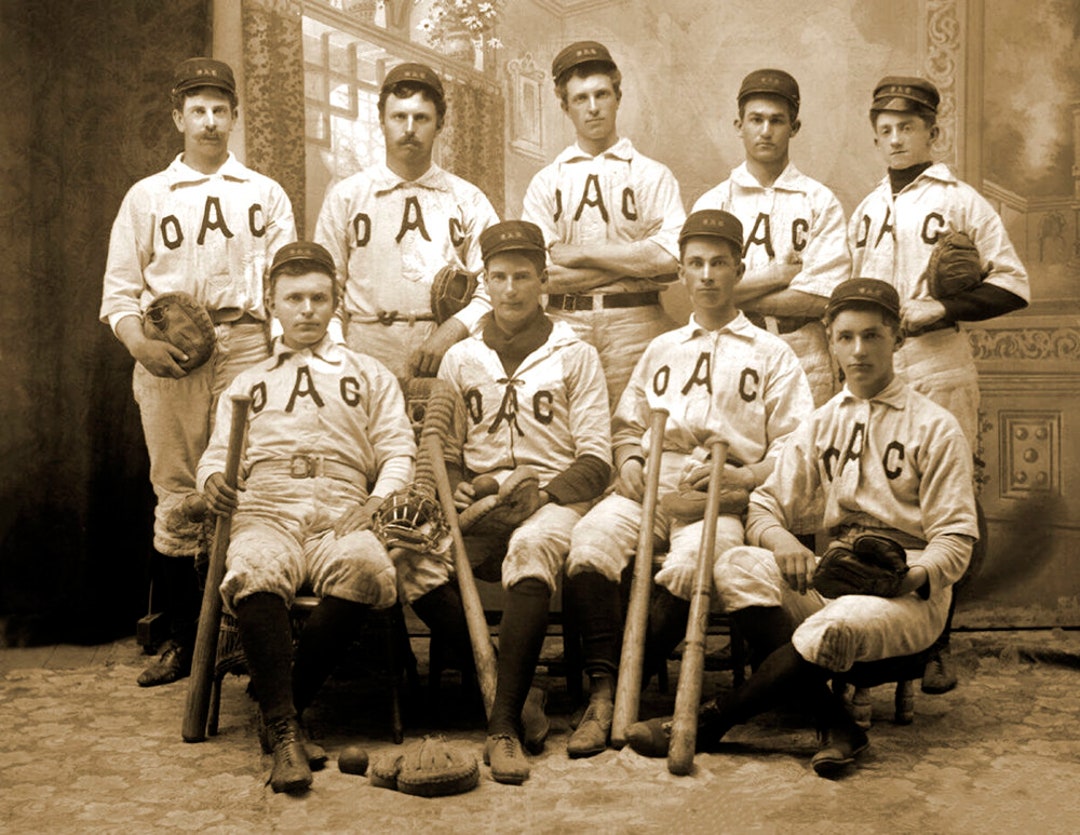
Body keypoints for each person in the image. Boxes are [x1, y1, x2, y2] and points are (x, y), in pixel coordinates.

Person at [625, 278, 979, 777]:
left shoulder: (935, 425)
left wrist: (911, 578)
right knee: (736, 565)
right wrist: (784, 541)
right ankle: (838, 726)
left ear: (898, 339)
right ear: (830, 342)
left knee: (837, 622)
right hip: (837, 572)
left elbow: (956, 539)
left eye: (873, 336)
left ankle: (710, 721)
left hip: (910, 590)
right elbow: (765, 503)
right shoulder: (822, 421)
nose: (858, 350)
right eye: (846, 337)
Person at [562, 210, 813, 758]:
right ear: (680, 272)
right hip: (652, 478)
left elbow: (796, 446)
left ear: (738, 270)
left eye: (719, 263)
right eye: (695, 263)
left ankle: (631, 691)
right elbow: (627, 424)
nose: (706, 275)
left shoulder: (771, 353)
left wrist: (746, 476)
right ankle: (604, 695)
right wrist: (629, 459)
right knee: (589, 545)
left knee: (687, 569)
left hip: (722, 490)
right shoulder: (662, 347)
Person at [100, 57, 296, 687]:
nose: (209, 121)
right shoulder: (148, 196)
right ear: (177, 117)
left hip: (245, 344)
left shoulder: (264, 192)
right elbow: (119, 292)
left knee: (247, 483)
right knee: (178, 489)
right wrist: (140, 345)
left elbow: (285, 285)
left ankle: (247, 638)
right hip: (170, 352)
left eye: (220, 110)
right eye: (197, 110)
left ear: (235, 116)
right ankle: (186, 642)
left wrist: (278, 360)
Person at [395, 220, 612, 785]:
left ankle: (502, 724)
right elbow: (442, 448)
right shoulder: (461, 357)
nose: (511, 289)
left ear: (544, 281)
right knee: (410, 559)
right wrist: (456, 482)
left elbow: (597, 460)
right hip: (483, 500)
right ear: (485, 283)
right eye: (499, 277)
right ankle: (513, 683)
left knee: (531, 547)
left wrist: (544, 495)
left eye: (523, 276)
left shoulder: (575, 353)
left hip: (553, 497)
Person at [197, 241, 416, 794]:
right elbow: (217, 456)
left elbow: (398, 450)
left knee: (367, 569)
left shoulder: (369, 374)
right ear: (271, 303)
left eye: (319, 297)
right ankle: (286, 731)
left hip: (343, 503)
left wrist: (377, 501)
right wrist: (214, 480)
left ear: (336, 301)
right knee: (255, 568)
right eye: (293, 298)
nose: (307, 310)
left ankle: (279, 707)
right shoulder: (247, 382)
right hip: (267, 503)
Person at [848, 76, 1029, 692]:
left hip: (939, 365)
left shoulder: (962, 201)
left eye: (908, 126)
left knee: (947, 504)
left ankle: (938, 643)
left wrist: (942, 308)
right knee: (880, 497)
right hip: (878, 370)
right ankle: (888, 634)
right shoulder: (867, 209)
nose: (896, 138)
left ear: (933, 130)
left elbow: (1013, 285)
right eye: (885, 129)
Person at [522, 41, 686, 410]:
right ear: (565, 106)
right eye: (581, 98)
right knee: (567, 428)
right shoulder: (546, 182)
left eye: (602, 94)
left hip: (638, 322)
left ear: (618, 97)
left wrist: (579, 254)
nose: (593, 107)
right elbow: (539, 276)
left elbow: (670, 260)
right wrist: (634, 265)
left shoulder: (651, 174)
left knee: (638, 426)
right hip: (565, 322)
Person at [314, 62, 500, 379]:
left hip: (444, 352)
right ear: (382, 122)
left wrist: (453, 329)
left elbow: (494, 284)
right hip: (364, 352)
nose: (410, 128)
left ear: (440, 124)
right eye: (399, 117)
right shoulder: (346, 197)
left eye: (421, 118)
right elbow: (325, 287)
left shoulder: (467, 199)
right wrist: (339, 352)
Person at [693, 69, 850, 407]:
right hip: (731, 345)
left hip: (803, 350)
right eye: (756, 120)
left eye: (777, 121)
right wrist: (780, 274)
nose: (766, 131)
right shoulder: (714, 203)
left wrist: (731, 294)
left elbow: (821, 298)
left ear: (794, 127)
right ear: (739, 125)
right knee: (733, 440)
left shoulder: (819, 201)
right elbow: (700, 290)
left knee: (805, 440)